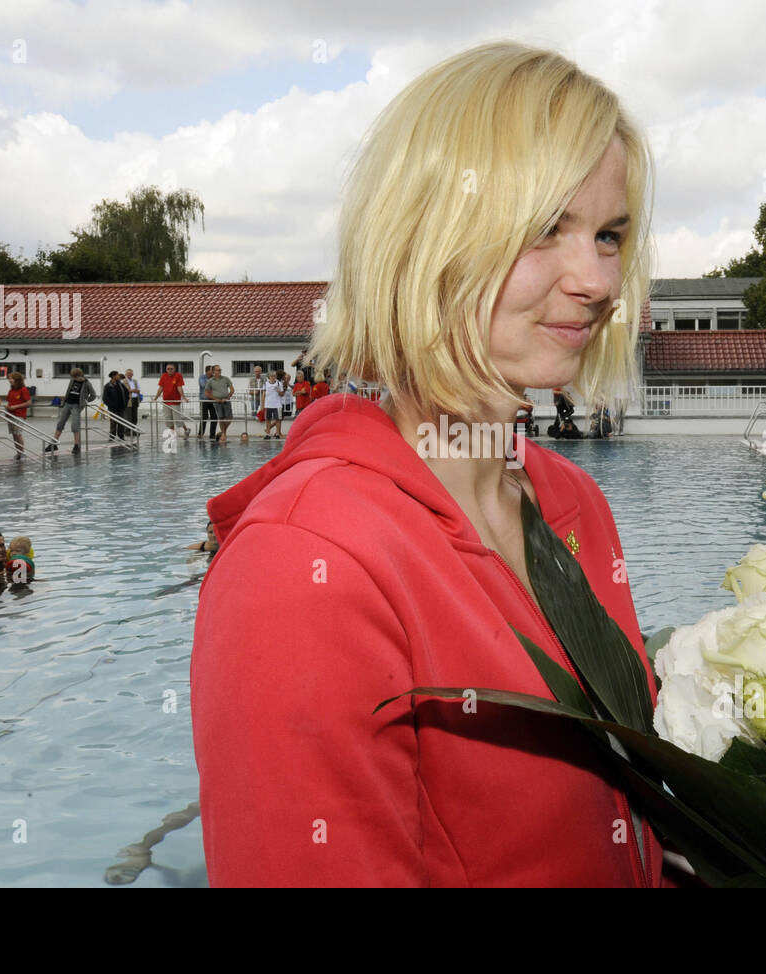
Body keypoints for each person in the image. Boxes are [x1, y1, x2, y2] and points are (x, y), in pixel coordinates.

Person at [192, 42, 665, 887]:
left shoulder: (574, 503)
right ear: (430, 238)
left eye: (609, 234)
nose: (597, 280)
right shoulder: (306, 565)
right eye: (546, 228)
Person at [47, 368, 97, 453]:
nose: (74, 378)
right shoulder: (72, 381)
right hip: (67, 404)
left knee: (75, 425)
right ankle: (53, 444)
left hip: (76, 406)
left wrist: (84, 401)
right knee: (60, 423)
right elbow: (68, 391)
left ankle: (77, 445)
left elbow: (93, 395)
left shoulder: (87, 383)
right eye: (73, 377)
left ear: (80, 376)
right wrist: (64, 402)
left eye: (75, 377)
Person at [153, 364, 189, 435]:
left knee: (177, 418)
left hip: (175, 401)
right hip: (166, 401)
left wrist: (183, 397)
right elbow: (161, 388)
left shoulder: (178, 376)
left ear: (174, 369)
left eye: (171, 369)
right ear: (166, 370)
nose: (170, 370)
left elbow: (179, 387)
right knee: (168, 419)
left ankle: (186, 429)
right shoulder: (164, 376)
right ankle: (172, 433)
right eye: (168, 369)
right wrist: (156, 397)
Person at [3, 372, 32, 457]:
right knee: (14, 434)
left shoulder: (23, 390)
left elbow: (29, 402)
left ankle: (22, 452)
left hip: (19, 415)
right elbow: (9, 402)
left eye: (11, 378)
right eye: (9, 378)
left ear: (17, 380)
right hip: (11, 415)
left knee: (18, 434)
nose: (9, 380)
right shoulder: (11, 390)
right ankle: (18, 453)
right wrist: (7, 409)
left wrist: (16, 406)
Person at [204, 365, 234, 444]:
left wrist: (227, 398)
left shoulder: (225, 379)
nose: (219, 371)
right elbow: (206, 393)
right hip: (217, 402)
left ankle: (223, 432)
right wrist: (215, 399)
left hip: (226, 400)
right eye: (218, 370)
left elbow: (232, 390)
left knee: (229, 418)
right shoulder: (210, 381)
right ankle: (224, 435)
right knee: (221, 418)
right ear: (213, 371)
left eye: (220, 370)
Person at [101, 370, 130, 440]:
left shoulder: (121, 384)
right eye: (117, 375)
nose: (118, 376)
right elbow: (105, 398)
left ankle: (121, 436)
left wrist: (125, 403)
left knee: (122, 422)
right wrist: (111, 405)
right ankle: (112, 436)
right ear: (113, 376)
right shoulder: (108, 386)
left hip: (121, 407)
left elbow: (126, 393)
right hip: (113, 408)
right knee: (113, 423)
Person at [262, 370, 285, 439]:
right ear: (269, 377)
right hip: (268, 404)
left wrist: (278, 391)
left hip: (277, 405)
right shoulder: (266, 384)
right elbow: (263, 395)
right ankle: (268, 434)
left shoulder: (279, 384)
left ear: (276, 377)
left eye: (274, 376)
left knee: (277, 419)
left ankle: (277, 433)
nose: (273, 377)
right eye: (271, 376)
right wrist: (262, 404)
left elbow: (282, 394)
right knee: (268, 420)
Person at [199, 365, 215, 439]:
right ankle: (200, 434)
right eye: (212, 370)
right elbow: (204, 386)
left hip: (213, 399)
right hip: (204, 400)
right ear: (208, 371)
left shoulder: (214, 378)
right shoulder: (202, 377)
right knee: (204, 417)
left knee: (214, 418)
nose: (214, 372)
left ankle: (212, 435)